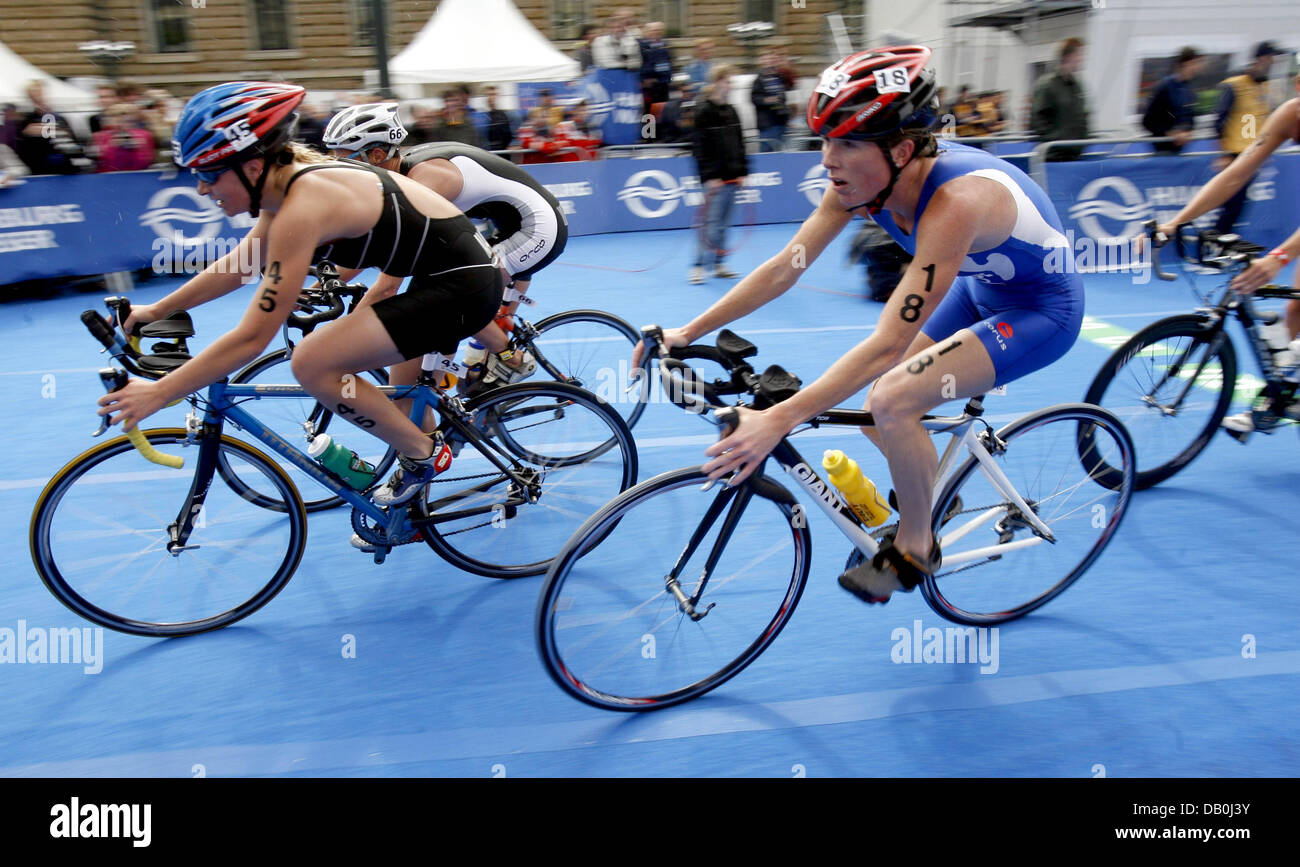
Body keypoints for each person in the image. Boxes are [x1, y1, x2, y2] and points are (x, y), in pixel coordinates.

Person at [633, 46, 1083, 603]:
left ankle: (917, 548)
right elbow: (784, 269)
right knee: (879, 408)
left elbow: (886, 343)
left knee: (892, 398)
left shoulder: (957, 202)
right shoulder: (865, 185)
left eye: (846, 142)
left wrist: (777, 420)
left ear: (900, 149)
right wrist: (687, 331)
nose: (828, 160)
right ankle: (932, 493)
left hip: (1040, 310)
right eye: (824, 140)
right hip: (979, 288)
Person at [99, 82, 503, 514]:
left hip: (461, 287)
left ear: (252, 168)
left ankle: (423, 455)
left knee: (312, 362)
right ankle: (419, 459)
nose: (200, 188)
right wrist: (157, 311)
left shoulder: (302, 206)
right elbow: (243, 263)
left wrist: (157, 394)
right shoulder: (284, 190)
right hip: (446, 279)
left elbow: (251, 340)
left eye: (208, 174)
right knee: (365, 376)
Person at [322, 102, 567, 390]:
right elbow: (372, 248)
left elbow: (389, 284)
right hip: (510, 225)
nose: (338, 170)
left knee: (455, 296)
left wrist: (342, 333)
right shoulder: (400, 175)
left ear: (376, 154)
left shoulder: (425, 181)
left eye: (344, 161)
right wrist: (321, 286)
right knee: (451, 294)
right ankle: (464, 382)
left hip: (538, 230)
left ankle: (510, 358)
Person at [1154, 77, 1300, 438]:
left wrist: (1278, 258)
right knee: (1295, 310)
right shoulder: (1288, 113)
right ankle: (1280, 395)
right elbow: (1235, 175)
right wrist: (1176, 222)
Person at [1211, 41, 1284, 234]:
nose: (1273, 63)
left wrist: (1266, 148)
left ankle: (1224, 242)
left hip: (1252, 155)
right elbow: (1219, 120)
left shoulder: (1265, 87)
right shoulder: (1235, 85)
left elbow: (1265, 121)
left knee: (1238, 204)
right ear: (1262, 59)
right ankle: (1215, 244)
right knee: (1231, 203)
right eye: (1271, 58)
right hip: (1236, 154)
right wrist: (1224, 153)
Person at [690, 64, 748, 284]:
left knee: (724, 224)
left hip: (732, 178)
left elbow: (740, 144)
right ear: (717, 82)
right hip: (714, 181)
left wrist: (742, 171)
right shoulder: (703, 110)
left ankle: (718, 264)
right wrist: (709, 176)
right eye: (728, 81)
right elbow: (699, 147)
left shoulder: (732, 110)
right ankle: (697, 267)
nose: (730, 86)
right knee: (709, 224)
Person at [1031, 37, 1090, 161]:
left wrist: (1082, 140)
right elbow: (1038, 119)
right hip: (1053, 156)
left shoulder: (1077, 86)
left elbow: (1082, 115)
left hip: (1074, 154)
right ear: (1069, 56)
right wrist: (1055, 140)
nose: (1082, 59)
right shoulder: (1047, 84)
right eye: (1079, 54)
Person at [1141, 47, 1204, 154]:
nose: (1199, 67)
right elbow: (1148, 121)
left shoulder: (1189, 89)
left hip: (1179, 150)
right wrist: (1171, 133)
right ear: (1186, 64)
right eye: (1196, 63)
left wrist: (1187, 132)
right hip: (1162, 150)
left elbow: (1189, 117)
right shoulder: (1165, 87)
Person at [751, 52, 790, 152]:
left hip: (781, 122)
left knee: (781, 153)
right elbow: (754, 98)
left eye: (772, 60)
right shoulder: (758, 80)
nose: (770, 62)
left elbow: (783, 97)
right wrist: (766, 100)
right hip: (767, 124)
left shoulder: (779, 78)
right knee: (766, 153)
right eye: (767, 60)